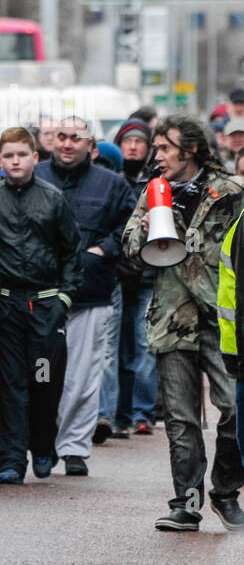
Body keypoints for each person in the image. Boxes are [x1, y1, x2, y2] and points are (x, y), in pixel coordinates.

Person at [123, 116, 244, 531]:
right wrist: (144, 232)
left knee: (232, 410)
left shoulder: (231, 193)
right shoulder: (153, 192)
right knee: (181, 419)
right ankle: (186, 503)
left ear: (190, 149)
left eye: (164, 148)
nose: (157, 156)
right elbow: (129, 248)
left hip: (221, 321)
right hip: (173, 322)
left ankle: (225, 490)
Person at [0, 126, 81, 484]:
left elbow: (72, 251)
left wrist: (64, 298)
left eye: (22, 154)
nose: (15, 161)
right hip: (6, 307)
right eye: (8, 156)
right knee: (8, 384)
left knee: (43, 379)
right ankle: (10, 460)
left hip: (45, 306)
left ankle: (42, 446)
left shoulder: (53, 199)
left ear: (36, 157)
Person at [34, 116, 135, 475]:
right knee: (40, 375)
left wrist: (104, 250)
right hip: (41, 294)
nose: (67, 143)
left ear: (90, 144)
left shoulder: (111, 183)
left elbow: (131, 225)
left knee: (84, 377)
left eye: (76, 137)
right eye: (61, 136)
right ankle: (42, 444)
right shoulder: (35, 177)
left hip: (91, 293)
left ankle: (75, 447)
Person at [109, 118, 159, 438]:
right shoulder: (110, 180)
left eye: (139, 141)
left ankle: (142, 410)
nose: (133, 146)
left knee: (143, 344)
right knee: (116, 348)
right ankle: (118, 412)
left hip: (149, 274)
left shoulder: (157, 181)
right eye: (128, 140)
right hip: (115, 275)